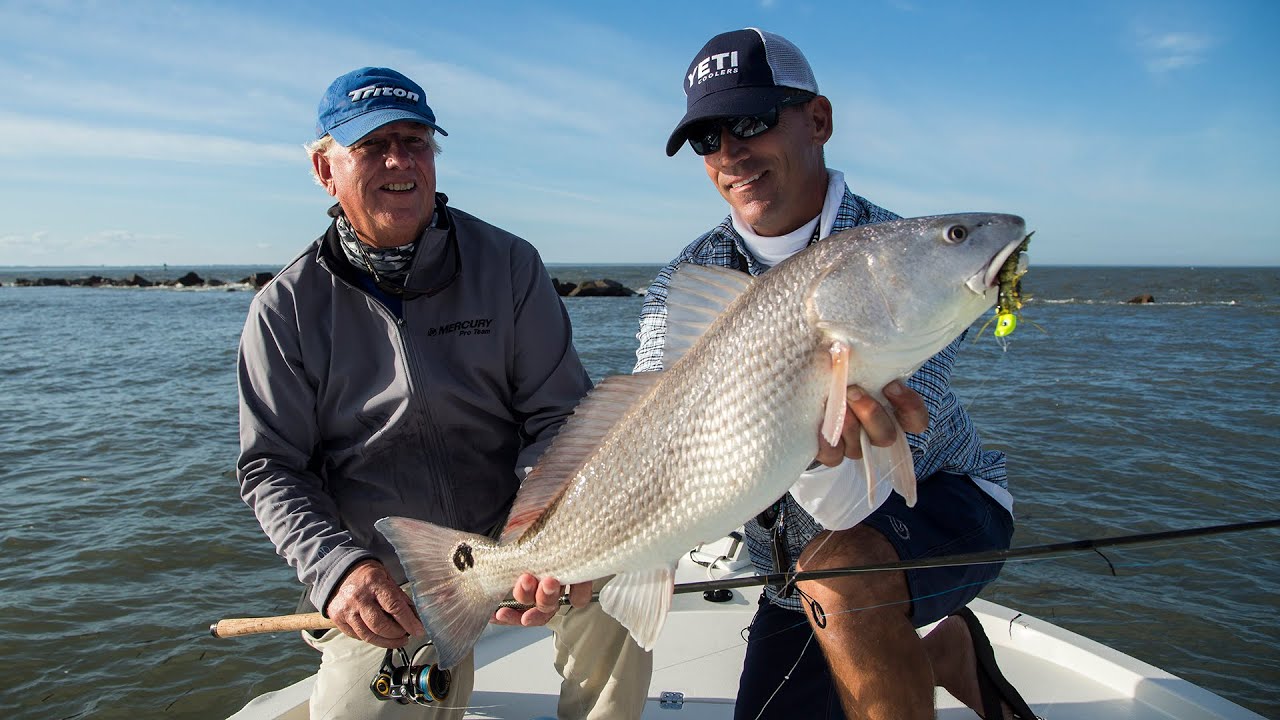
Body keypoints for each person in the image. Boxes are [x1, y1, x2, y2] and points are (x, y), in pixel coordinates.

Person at [637, 30, 1037, 720]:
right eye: (707, 137)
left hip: (939, 502)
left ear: (818, 120)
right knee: (823, 586)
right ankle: (942, 649)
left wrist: (796, 441)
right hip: (794, 572)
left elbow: (870, 479)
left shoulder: (904, 255)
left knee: (843, 577)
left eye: (752, 121)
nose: (730, 152)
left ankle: (917, 635)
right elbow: (645, 425)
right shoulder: (683, 279)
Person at [237, 66, 650, 719]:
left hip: (518, 540)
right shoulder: (285, 308)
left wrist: (543, 532)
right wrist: (339, 571)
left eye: (416, 141)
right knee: (368, 709)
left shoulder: (509, 265)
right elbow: (272, 469)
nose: (399, 160)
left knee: (619, 599)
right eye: (373, 145)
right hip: (393, 575)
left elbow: (561, 420)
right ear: (325, 170)